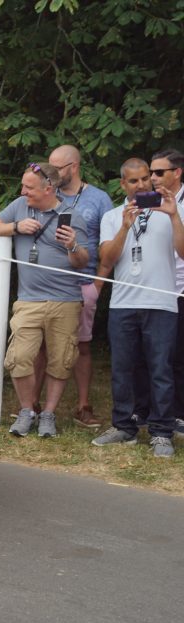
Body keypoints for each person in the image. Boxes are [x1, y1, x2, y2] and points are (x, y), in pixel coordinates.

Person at [0, 162, 90, 438]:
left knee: (61, 361)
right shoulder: (19, 206)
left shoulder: (71, 215)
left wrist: (72, 245)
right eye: (24, 185)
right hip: (28, 301)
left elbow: (83, 261)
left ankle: (49, 415)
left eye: (29, 187)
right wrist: (15, 227)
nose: (23, 191)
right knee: (18, 358)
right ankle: (27, 410)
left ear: (49, 188)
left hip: (66, 300)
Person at [91, 158, 184, 457]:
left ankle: (161, 432)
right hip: (124, 303)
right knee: (123, 368)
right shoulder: (112, 215)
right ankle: (124, 426)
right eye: (134, 181)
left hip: (161, 302)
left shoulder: (172, 209)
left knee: (161, 369)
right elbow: (107, 258)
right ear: (123, 184)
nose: (143, 184)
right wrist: (124, 227)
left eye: (146, 178)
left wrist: (172, 217)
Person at [32, 144, 115, 428]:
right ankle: (32, 404)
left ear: (74, 166)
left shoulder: (99, 199)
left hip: (82, 284)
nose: (51, 173)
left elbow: (109, 246)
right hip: (46, 284)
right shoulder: (46, 194)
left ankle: (83, 406)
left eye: (58, 168)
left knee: (81, 345)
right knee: (42, 345)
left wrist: (97, 286)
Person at [149, 149, 184, 435]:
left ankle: (178, 416)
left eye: (159, 172)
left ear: (177, 172)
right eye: (151, 172)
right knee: (158, 358)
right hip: (152, 291)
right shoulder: (145, 203)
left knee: (178, 357)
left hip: (181, 291)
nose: (152, 177)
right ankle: (153, 413)